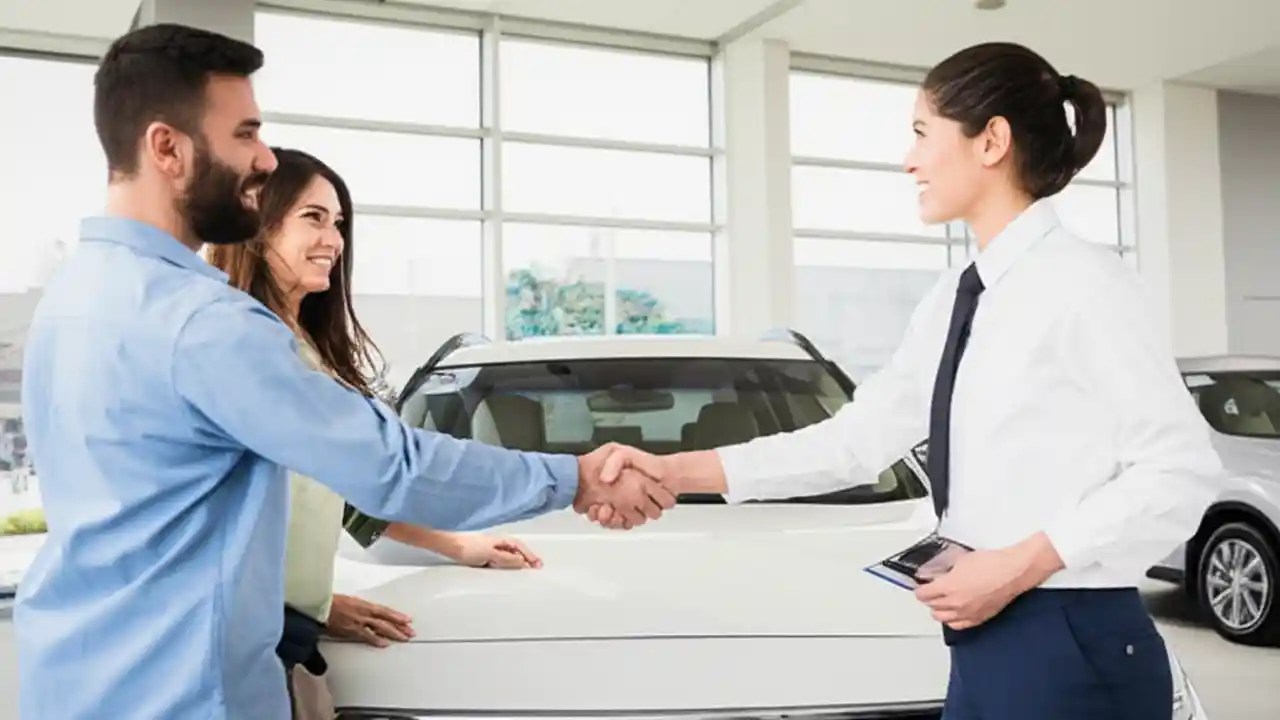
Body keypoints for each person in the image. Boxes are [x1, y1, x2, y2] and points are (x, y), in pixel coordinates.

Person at [16, 24, 672, 720]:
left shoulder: (73, 295)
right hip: (182, 696)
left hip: (70, 686)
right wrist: (573, 479)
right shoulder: (206, 324)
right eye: (244, 134)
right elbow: (394, 468)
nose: (265, 158)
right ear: (167, 148)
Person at [596, 42, 1222, 720]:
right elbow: (856, 442)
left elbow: (1179, 471)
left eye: (923, 133)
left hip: (1067, 636)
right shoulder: (958, 296)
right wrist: (671, 471)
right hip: (984, 637)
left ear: (992, 142)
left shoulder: (1087, 284)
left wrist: (1020, 563)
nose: (909, 160)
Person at [205, 147, 544, 715]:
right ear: (259, 228)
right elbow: (213, 513)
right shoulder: (240, 346)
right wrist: (307, 604)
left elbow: (336, 484)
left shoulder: (301, 343)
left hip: (281, 632)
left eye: (338, 223)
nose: (335, 240)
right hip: (240, 639)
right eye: (313, 217)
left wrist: (457, 543)